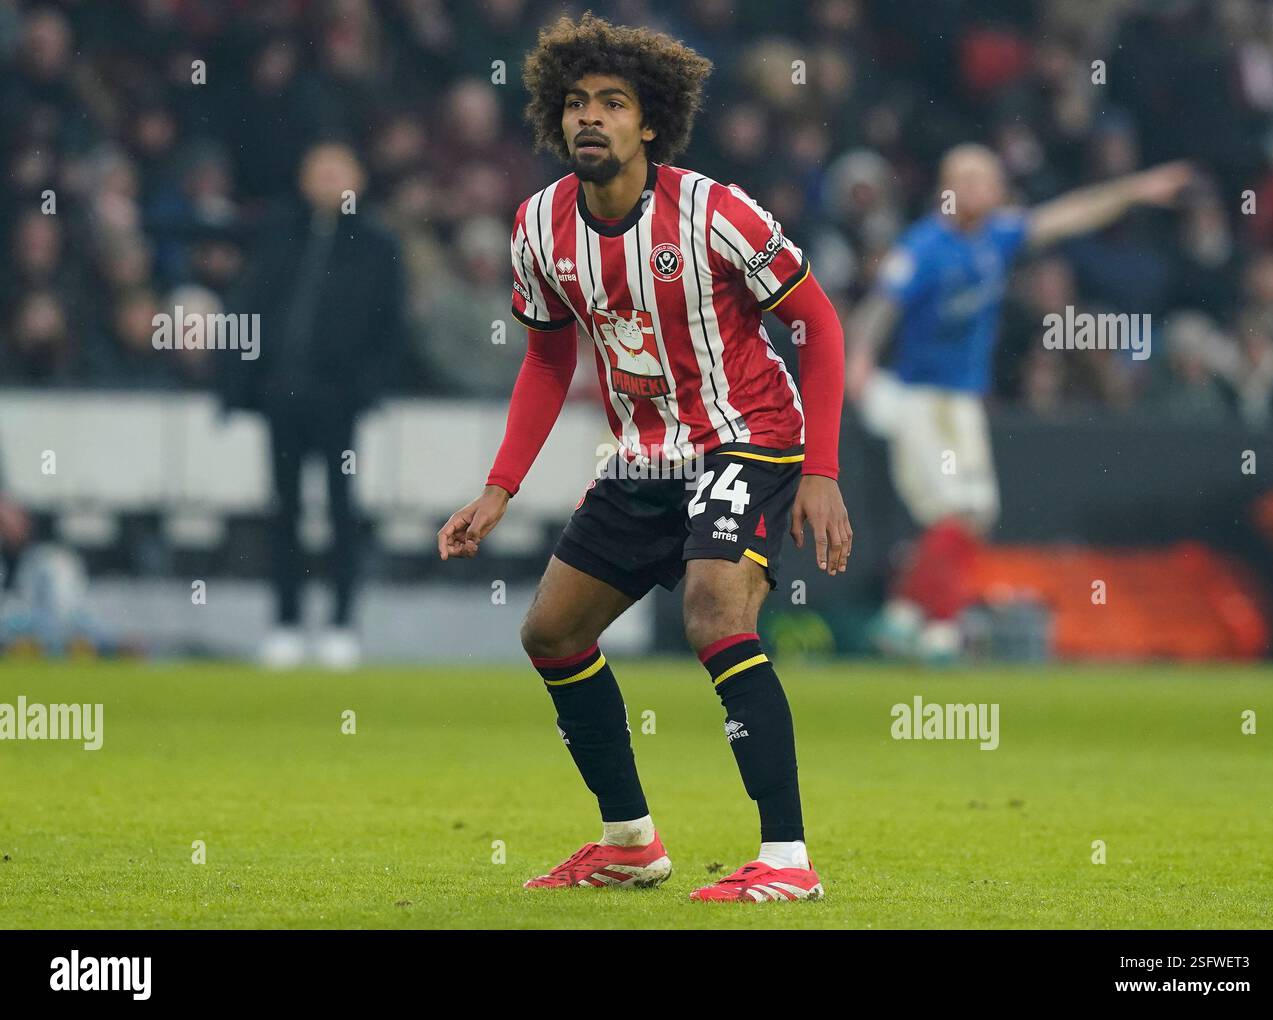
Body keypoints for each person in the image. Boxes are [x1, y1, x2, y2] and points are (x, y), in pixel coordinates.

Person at [437, 14, 850, 903]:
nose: (592, 117)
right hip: (643, 454)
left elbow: (817, 326)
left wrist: (822, 470)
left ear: (649, 122)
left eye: (614, 104)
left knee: (712, 613)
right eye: (578, 102)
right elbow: (549, 359)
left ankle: (786, 861)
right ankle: (629, 842)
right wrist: (498, 489)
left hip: (748, 434)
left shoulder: (715, 211)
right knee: (552, 632)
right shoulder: (539, 226)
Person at [847, 144, 1190, 662]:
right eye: (977, 180)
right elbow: (879, 307)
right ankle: (934, 625)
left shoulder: (996, 237)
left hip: (960, 399)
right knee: (958, 510)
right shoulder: (923, 248)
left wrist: (1133, 190)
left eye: (992, 180)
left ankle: (906, 618)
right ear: (951, 186)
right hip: (925, 396)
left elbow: (1067, 216)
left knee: (972, 514)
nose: (990, 190)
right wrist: (859, 362)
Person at [222, 141, 404, 670]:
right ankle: (284, 621)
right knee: (284, 512)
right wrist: (245, 384)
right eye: (317, 170)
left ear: (358, 179)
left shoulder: (376, 244)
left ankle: (342, 623)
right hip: (281, 395)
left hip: (340, 400)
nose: (326, 181)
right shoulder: (279, 235)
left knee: (343, 513)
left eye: (336, 171)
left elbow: (391, 328)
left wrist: (367, 388)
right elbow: (251, 306)